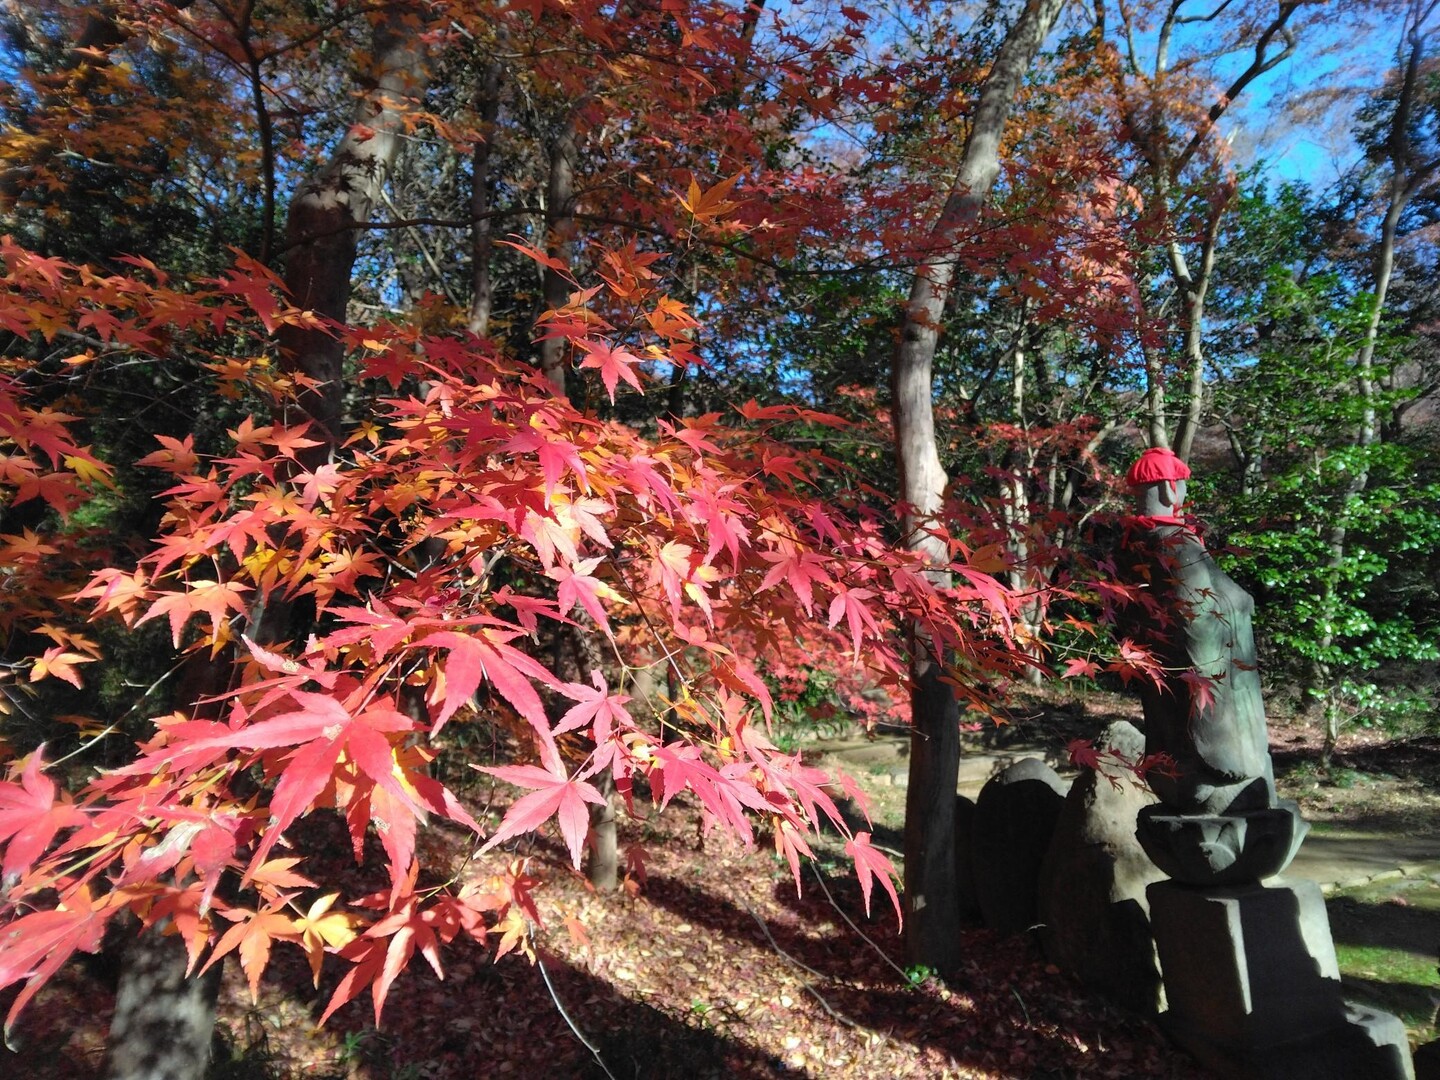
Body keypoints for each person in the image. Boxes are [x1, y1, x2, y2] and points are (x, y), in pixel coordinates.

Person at [1119, 448, 1275, 815]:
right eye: (1183, 485)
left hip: (1169, 703)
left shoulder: (1133, 546)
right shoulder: (1175, 546)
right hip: (1209, 715)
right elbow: (1198, 628)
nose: (1184, 494)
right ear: (1170, 490)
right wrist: (1217, 736)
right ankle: (1212, 764)